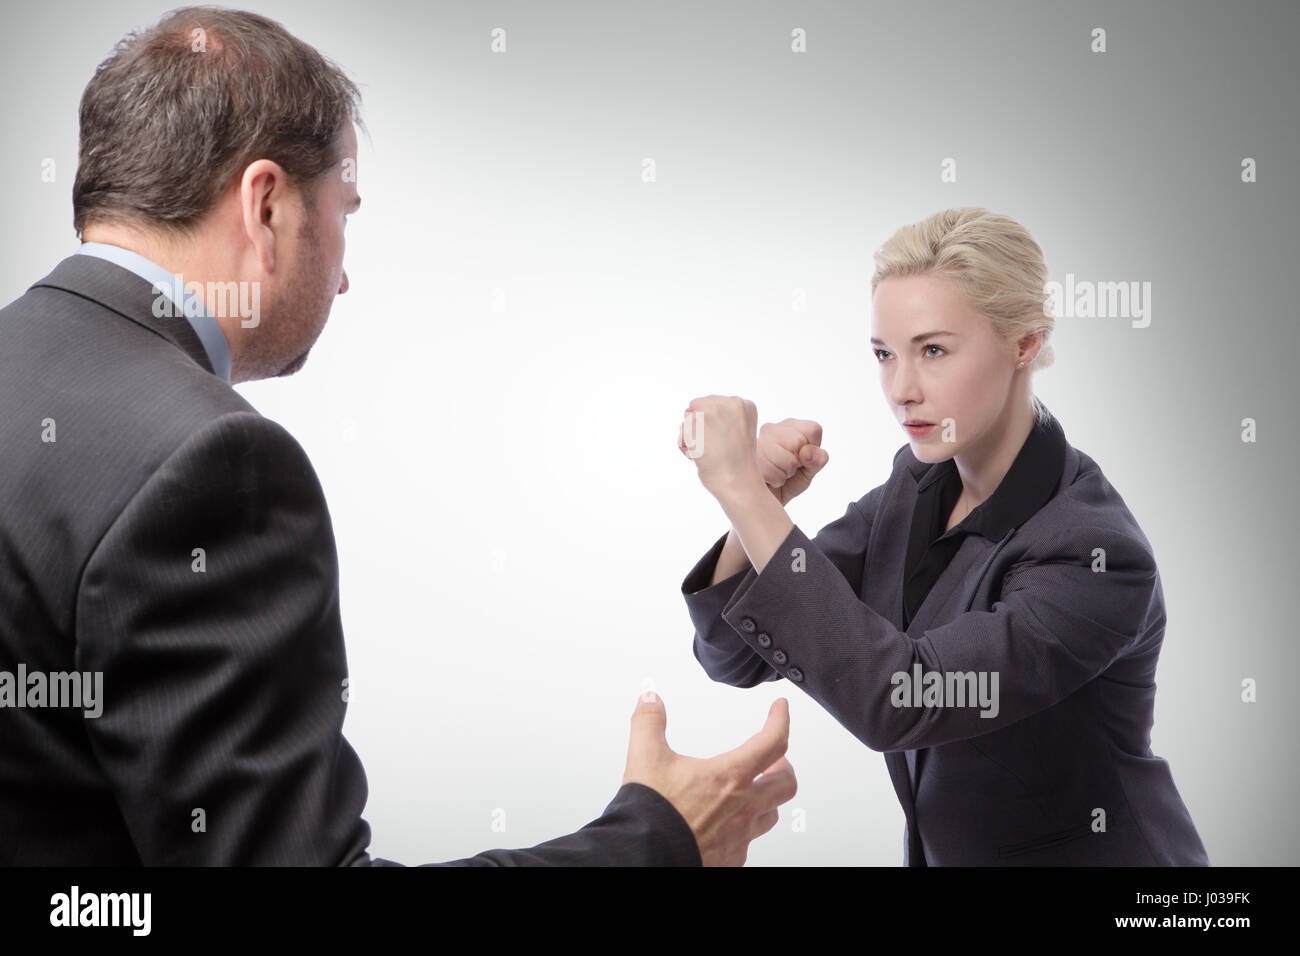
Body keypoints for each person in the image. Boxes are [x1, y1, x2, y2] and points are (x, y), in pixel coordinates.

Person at [0, 5, 796, 866]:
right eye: (343, 208)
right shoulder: (210, 462)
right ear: (265, 204)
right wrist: (658, 840)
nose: (343, 277)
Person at [677, 207, 1210, 865]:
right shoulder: (916, 487)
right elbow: (735, 654)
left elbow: (898, 699)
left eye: (933, 351)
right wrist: (752, 510)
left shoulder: (1096, 556)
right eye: (884, 355)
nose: (901, 390)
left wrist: (742, 492)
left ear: (1024, 343)